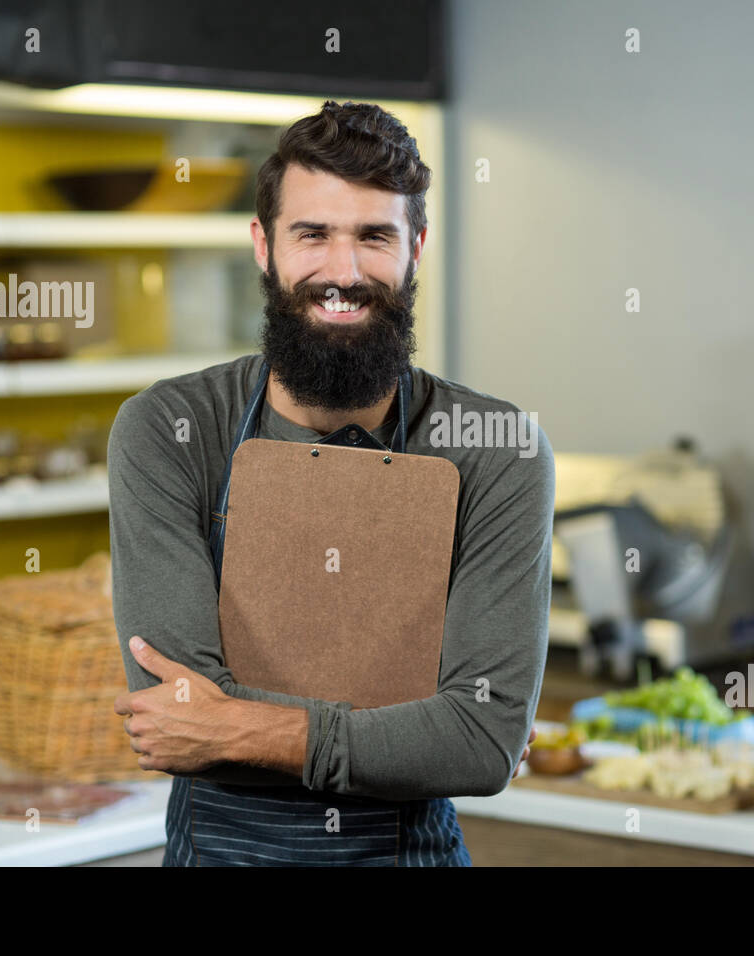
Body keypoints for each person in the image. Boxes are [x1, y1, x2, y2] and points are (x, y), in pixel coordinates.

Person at [108, 100, 554, 866]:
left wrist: (240, 726)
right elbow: (177, 719)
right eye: (312, 234)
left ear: (417, 246)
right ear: (264, 246)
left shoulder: (497, 448)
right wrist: (421, 732)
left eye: (374, 236)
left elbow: (480, 740)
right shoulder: (169, 429)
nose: (342, 274)